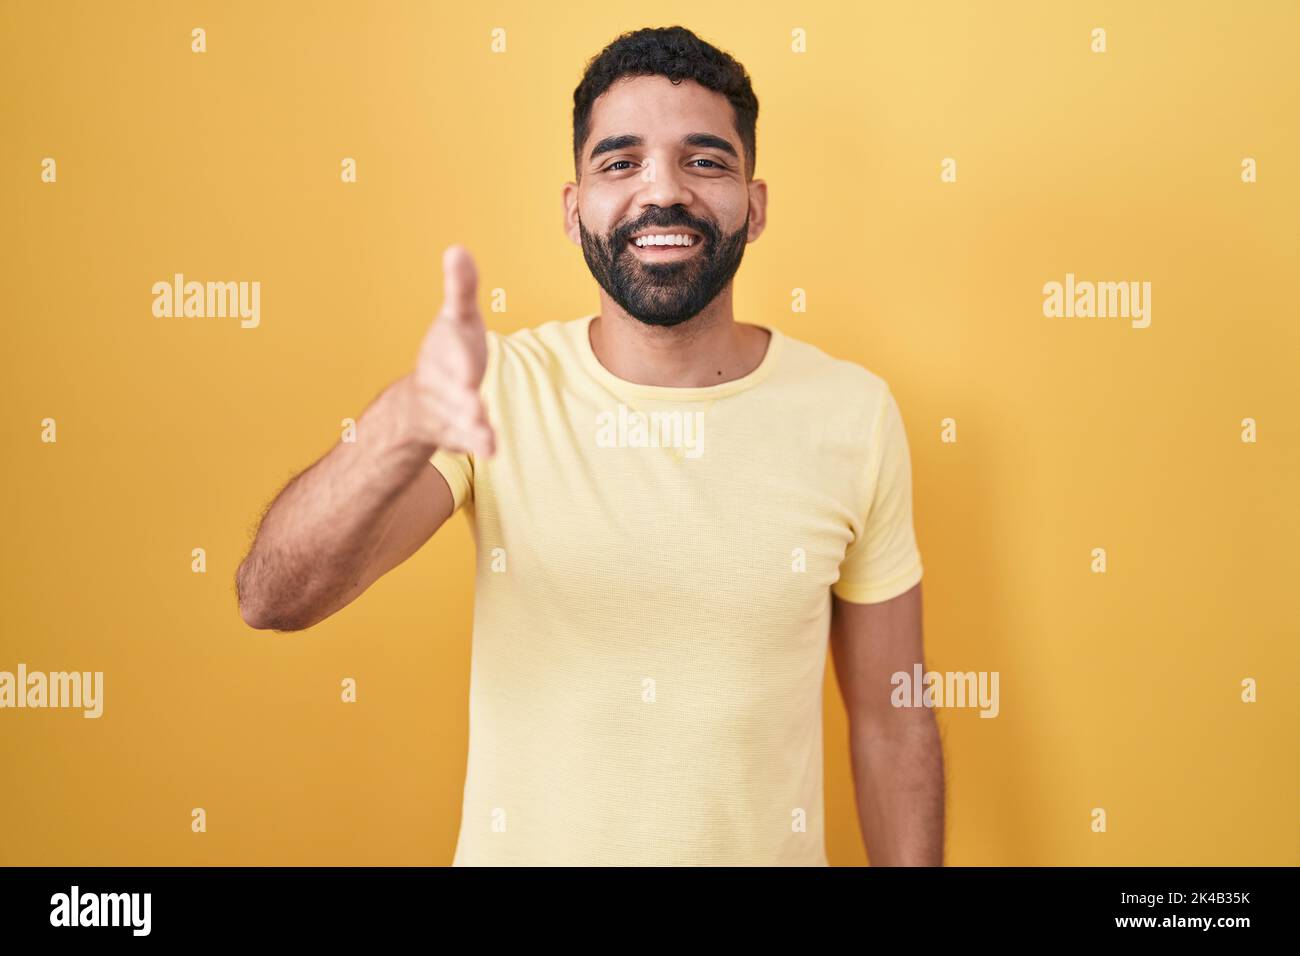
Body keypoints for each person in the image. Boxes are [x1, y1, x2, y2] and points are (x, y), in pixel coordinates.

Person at [236, 25, 942, 866]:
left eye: (704, 160)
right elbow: (276, 597)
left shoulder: (852, 413)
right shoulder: (495, 389)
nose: (662, 193)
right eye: (621, 162)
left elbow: (893, 722)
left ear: (754, 206)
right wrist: (405, 417)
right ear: (574, 212)